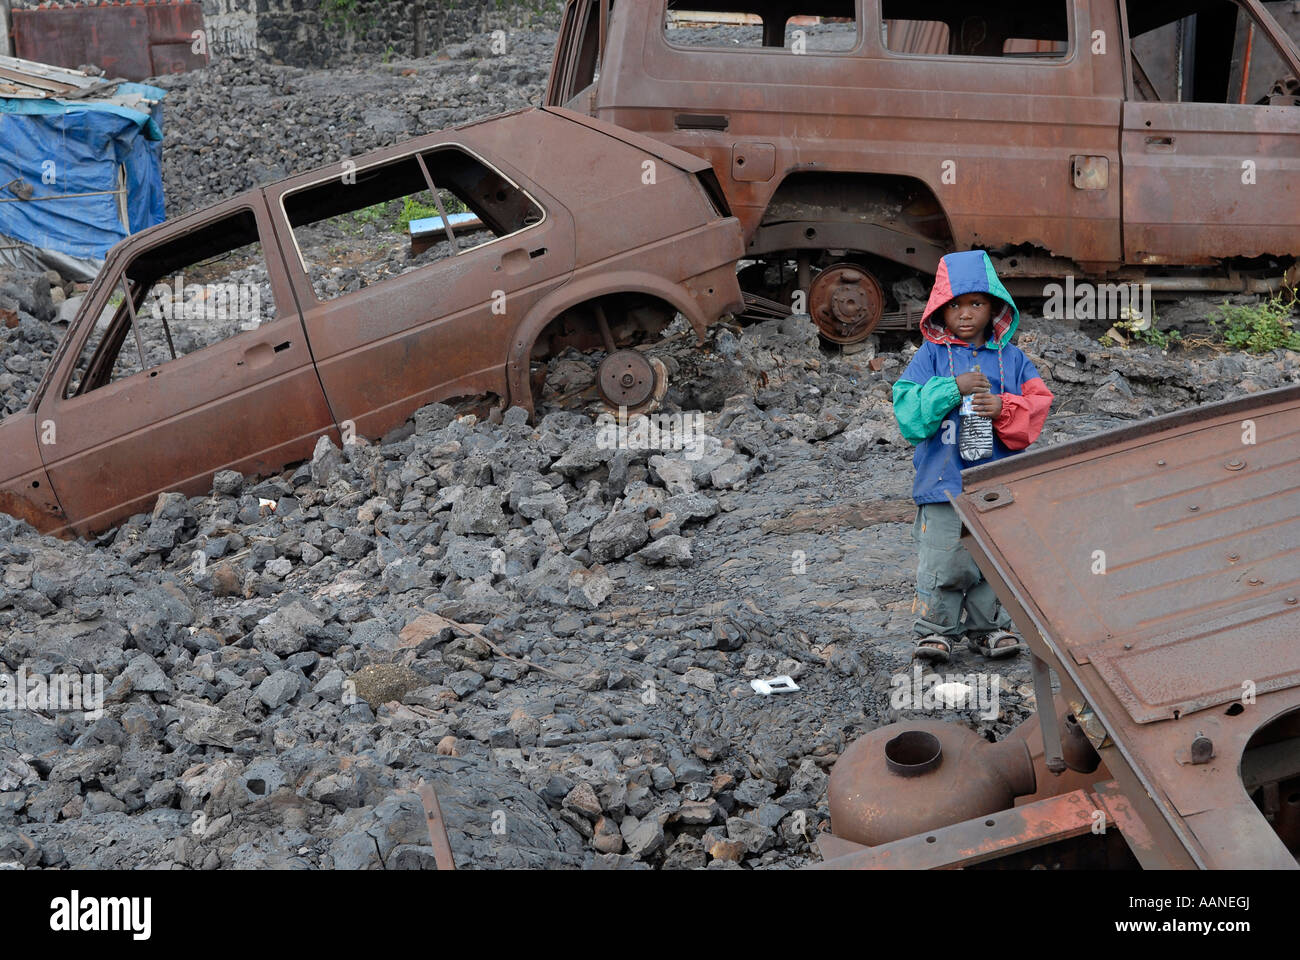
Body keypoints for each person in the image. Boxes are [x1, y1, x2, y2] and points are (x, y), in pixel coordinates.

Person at [891, 250, 1053, 662]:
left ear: (995, 308)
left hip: (995, 483)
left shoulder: (1012, 359)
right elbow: (907, 413)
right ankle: (935, 631)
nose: (965, 314)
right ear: (939, 310)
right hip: (942, 483)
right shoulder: (929, 357)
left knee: (994, 562)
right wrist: (952, 388)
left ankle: (990, 629)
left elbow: (1039, 403)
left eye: (976, 304)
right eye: (955, 305)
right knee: (944, 560)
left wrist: (1003, 408)